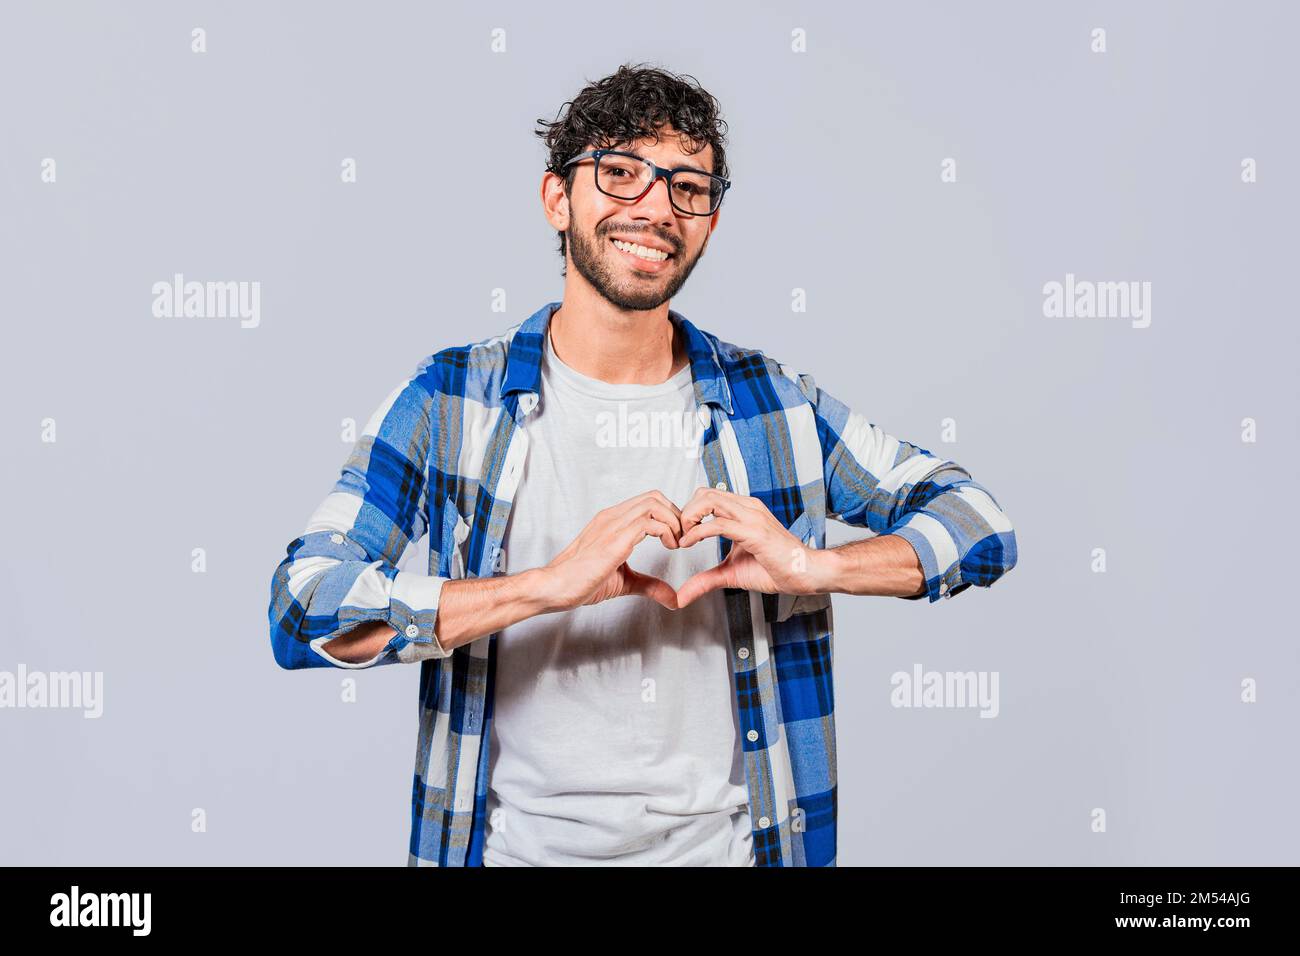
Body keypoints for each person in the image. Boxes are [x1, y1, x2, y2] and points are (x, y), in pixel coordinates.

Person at [267, 62, 1018, 867]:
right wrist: (542, 587)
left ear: (710, 221)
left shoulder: (774, 406)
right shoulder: (452, 400)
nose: (656, 208)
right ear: (558, 197)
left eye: (687, 188)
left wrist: (809, 565)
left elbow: (979, 527)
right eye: (621, 173)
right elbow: (303, 608)